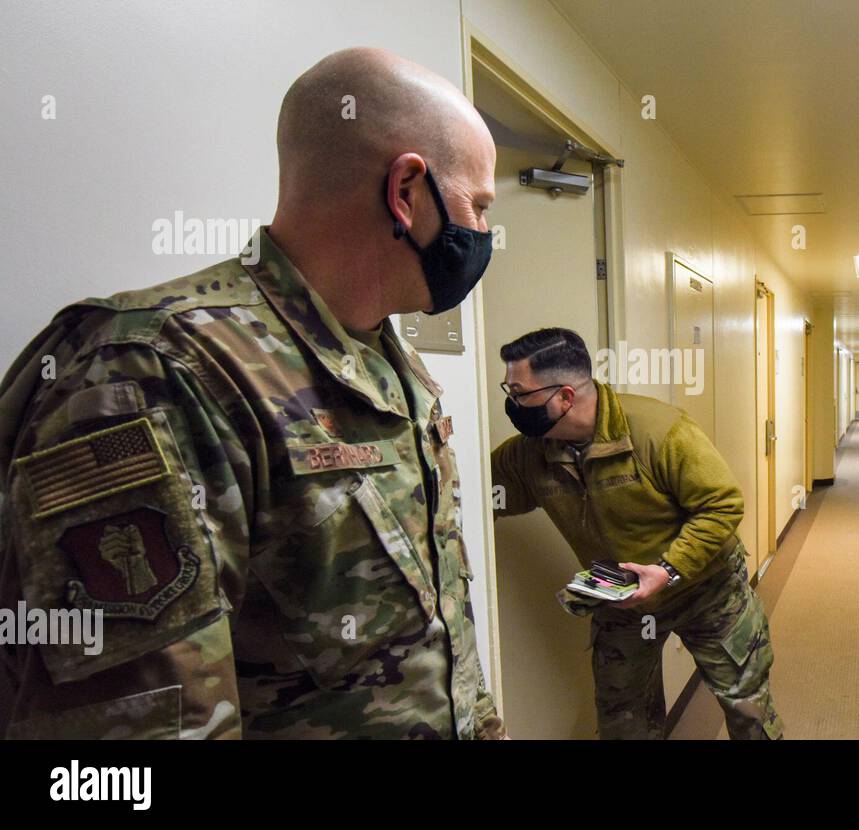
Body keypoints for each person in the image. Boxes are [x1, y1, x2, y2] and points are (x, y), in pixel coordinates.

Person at [0, 48, 505, 739]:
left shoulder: (394, 365)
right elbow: (131, 734)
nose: (482, 233)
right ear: (407, 191)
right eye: (477, 205)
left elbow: (438, 636)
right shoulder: (153, 373)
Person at [490, 328, 783, 739]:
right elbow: (485, 496)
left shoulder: (658, 432)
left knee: (748, 708)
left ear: (564, 397)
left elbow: (722, 504)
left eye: (519, 393)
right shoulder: (530, 453)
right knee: (623, 720)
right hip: (622, 602)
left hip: (705, 590)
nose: (512, 404)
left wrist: (669, 570)